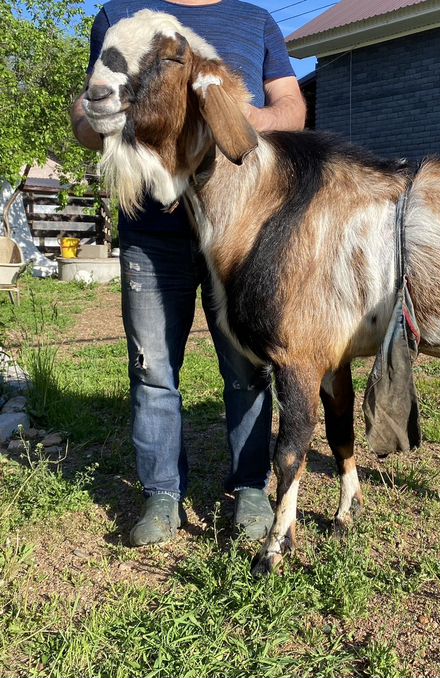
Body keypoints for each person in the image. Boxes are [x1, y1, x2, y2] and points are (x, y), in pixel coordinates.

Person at [71, 0, 306, 546]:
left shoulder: (256, 20)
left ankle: (250, 488)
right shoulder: (121, 17)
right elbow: (89, 110)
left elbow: (291, 109)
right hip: (152, 232)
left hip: (238, 231)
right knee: (153, 370)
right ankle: (161, 494)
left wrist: (224, 117)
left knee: (248, 366)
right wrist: (101, 120)